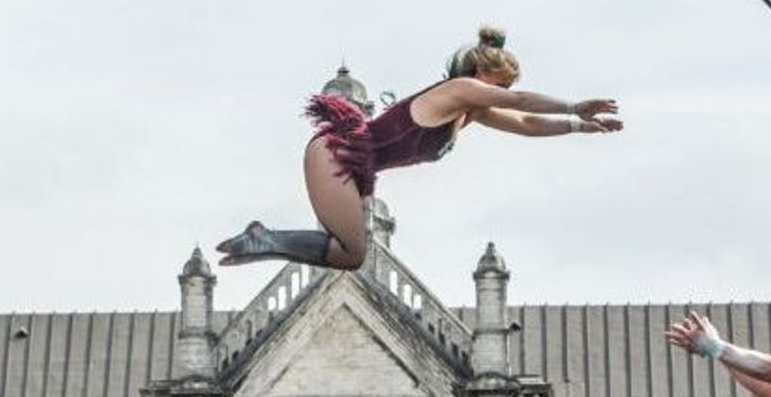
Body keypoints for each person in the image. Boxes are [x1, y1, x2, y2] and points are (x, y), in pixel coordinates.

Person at [215, 26, 621, 270]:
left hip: (355, 169)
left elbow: (526, 124)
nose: (503, 93)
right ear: (481, 74)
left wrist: (580, 127)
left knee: (350, 256)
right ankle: (263, 238)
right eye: (500, 85)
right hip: (335, 153)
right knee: (352, 252)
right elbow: (519, 103)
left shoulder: (470, 112)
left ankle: (263, 241)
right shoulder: (457, 90)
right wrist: (573, 105)